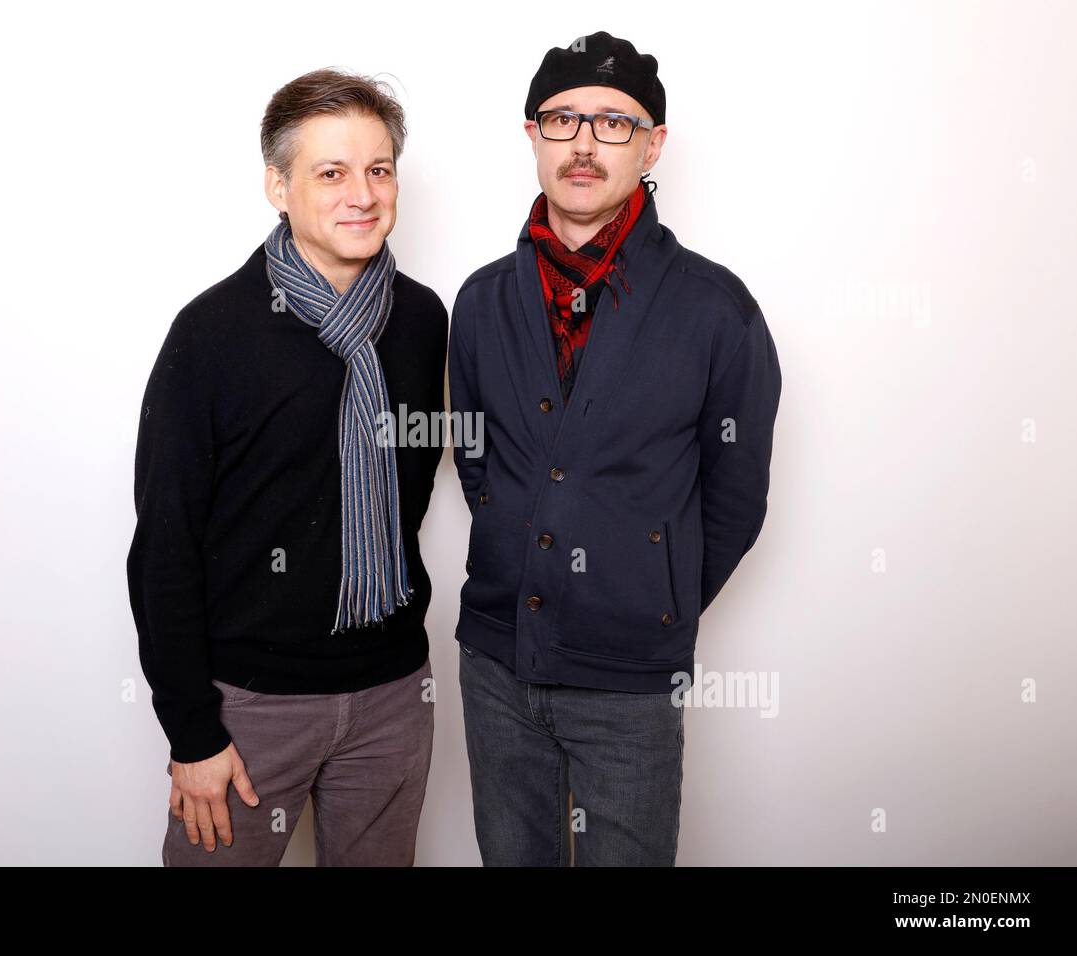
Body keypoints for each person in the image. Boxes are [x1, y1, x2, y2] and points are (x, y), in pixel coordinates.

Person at [448, 31, 782, 865]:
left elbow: (735, 496)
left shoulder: (717, 310)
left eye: (613, 122)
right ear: (532, 135)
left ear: (652, 144)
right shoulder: (482, 300)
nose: (585, 143)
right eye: (562, 120)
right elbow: (473, 456)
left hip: (631, 682)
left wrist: (647, 593)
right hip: (495, 666)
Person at [127, 68, 447, 866]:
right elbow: (163, 546)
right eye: (330, 172)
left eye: (379, 170)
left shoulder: (420, 320)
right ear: (278, 185)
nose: (362, 195)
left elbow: (415, 487)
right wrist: (192, 731)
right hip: (248, 708)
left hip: (392, 695)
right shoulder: (211, 334)